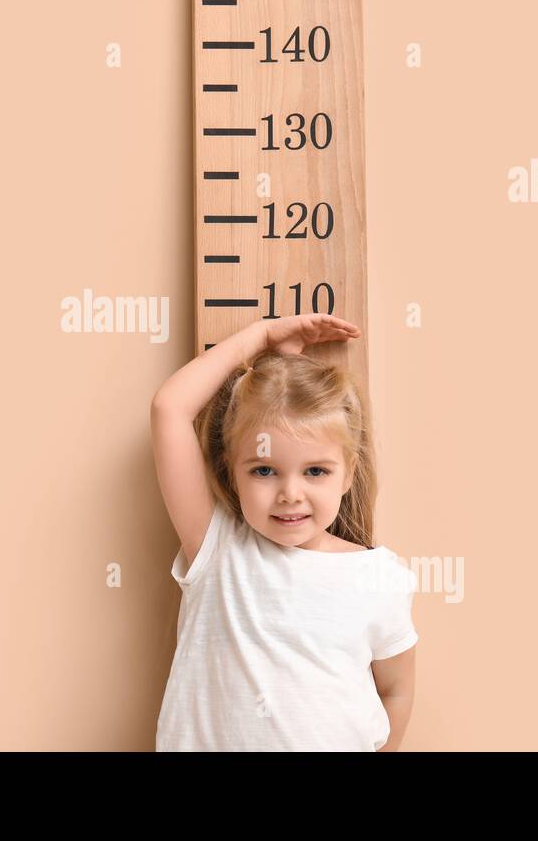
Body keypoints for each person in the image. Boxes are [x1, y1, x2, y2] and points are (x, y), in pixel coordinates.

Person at [151, 313, 418, 751]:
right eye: (264, 470)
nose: (290, 494)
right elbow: (169, 408)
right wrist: (261, 336)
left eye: (316, 470)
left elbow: (396, 691)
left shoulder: (380, 576)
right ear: (232, 473)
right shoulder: (218, 547)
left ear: (348, 473)